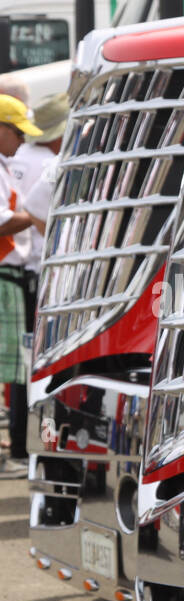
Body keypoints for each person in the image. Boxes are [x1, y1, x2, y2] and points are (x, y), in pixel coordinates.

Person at [0, 90, 43, 470]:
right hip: (5, 275)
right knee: (8, 366)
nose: (24, 141)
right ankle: (8, 453)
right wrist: (35, 212)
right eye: (19, 133)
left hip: (9, 273)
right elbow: (1, 221)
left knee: (10, 366)